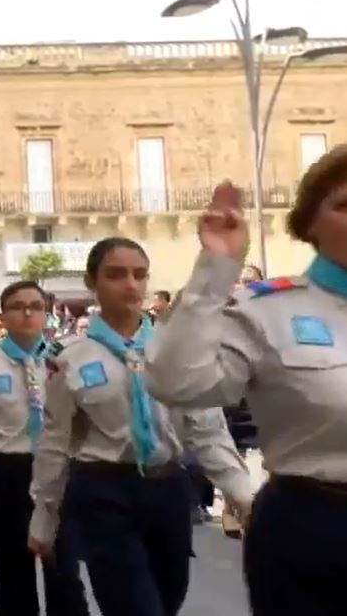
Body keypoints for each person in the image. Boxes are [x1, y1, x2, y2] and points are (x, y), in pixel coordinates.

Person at [144, 171, 347, 616]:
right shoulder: (268, 310)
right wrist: (216, 270)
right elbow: (176, 382)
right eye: (344, 205)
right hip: (314, 526)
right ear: (310, 223)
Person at [29, 237, 252, 616]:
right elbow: (55, 441)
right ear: (92, 282)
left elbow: (207, 428)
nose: (130, 285)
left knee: (166, 602)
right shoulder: (70, 360)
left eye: (139, 275)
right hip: (104, 493)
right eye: (116, 275)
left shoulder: (175, 352)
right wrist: (44, 516)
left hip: (167, 491)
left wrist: (241, 493)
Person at [0, 281, 88, 616]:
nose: (27, 313)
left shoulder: (65, 361)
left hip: (57, 470)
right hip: (7, 473)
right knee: (13, 569)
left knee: (64, 570)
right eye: (17, 306)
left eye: (36, 306)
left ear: (46, 313)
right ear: (2, 317)